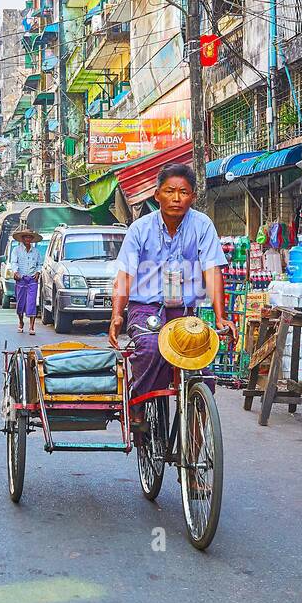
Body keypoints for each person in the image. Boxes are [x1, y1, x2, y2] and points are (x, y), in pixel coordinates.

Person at [108, 164, 232, 416]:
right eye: (170, 191)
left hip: (185, 312)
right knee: (152, 348)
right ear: (157, 195)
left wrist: (221, 316)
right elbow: (125, 276)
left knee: (203, 373)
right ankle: (139, 404)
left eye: (184, 192)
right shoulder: (140, 229)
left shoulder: (202, 225)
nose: (176, 198)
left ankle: (196, 444)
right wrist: (117, 314)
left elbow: (213, 271)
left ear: (193, 197)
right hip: (146, 309)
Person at [9, 227, 43, 335]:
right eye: (26, 237)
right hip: (21, 279)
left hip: (32, 279)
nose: (28, 239)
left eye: (29, 237)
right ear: (22, 239)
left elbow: (39, 264)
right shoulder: (16, 250)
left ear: (32, 239)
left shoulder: (36, 252)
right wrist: (16, 272)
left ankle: (32, 326)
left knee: (32, 302)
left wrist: (38, 272)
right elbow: (14, 263)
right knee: (21, 303)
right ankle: (21, 322)